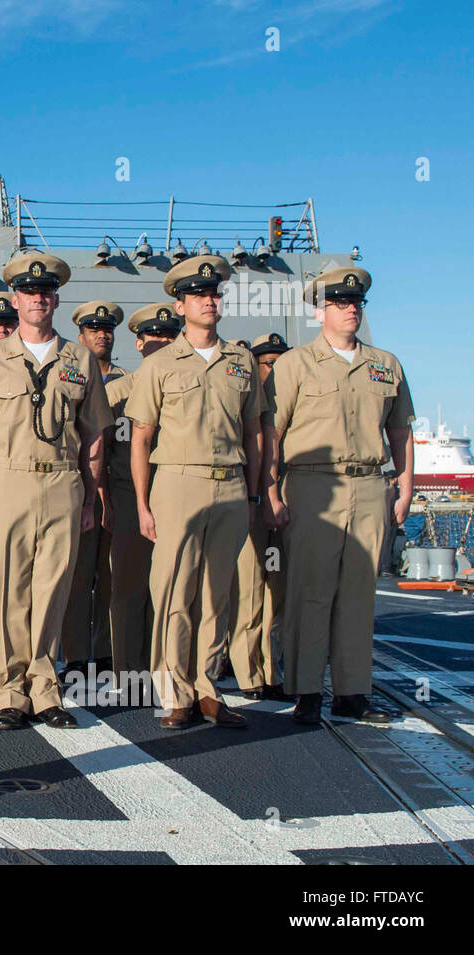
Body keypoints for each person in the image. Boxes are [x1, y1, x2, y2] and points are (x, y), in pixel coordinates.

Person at [263, 266, 414, 725]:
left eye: (356, 303)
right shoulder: (294, 365)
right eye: (340, 302)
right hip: (312, 486)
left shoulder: (386, 364)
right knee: (311, 590)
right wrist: (270, 489)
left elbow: (400, 430)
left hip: (371, 486)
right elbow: (272, 431)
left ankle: (352, 692)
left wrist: (405, 486)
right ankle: (307, 690)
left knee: (359, 593)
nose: (350, 309)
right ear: (320, 310)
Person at [0, 253, 112, 731]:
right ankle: (8, 691)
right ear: (16, 299)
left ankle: (45, 689)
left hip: (62, 481)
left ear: (55, 299)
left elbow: (94, 434)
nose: (38, 298)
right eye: (30, 292)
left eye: (47, 292)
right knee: (6, 588)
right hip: (8, 480)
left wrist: (91, 498)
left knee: (54, 589)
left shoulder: (80, 360)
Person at [126, 255, 262, 730]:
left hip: (231, 483)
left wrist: (253, 495)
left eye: (215, 293)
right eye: (200, 295)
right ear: (180, 304)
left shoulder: (241, 361)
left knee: (218, 594)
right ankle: (175, 694)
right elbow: (142, 437)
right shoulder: (159, 364)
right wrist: (143, 504)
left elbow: (253, 433)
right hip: (178, 483)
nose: (210, 300)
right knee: (174, 592)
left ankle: (208, 689)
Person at [104, 305, 180, 684]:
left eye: (169, 336)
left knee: (171, 588)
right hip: (126, 496)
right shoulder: (116, 393)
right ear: (138, 343)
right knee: (129, 585)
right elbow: (97, 450)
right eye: (155, 337)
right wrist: (102, 500)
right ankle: (127, 669)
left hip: (176, 492)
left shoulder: (182, 385)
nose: (163, 343)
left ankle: (165, 667)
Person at [60, 301, 125, 678]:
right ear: (81, 336)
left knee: (109, 576)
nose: (102, 334)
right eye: (94, 329)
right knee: (77, 577)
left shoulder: (127, 383)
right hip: (82, 490)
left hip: (117, 492)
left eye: (108, 329)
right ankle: (74, 654)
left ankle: (104, 651)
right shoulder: (71, 376)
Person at [228, 332, 294, 701]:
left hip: (284, 500)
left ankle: (272, 670)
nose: (274, 369)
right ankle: (247, 671)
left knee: (278, 591)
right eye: (267, 363)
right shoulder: (242, 404)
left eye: (279, 362)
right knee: (249, 589)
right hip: (249, 501)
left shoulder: (289, 402)